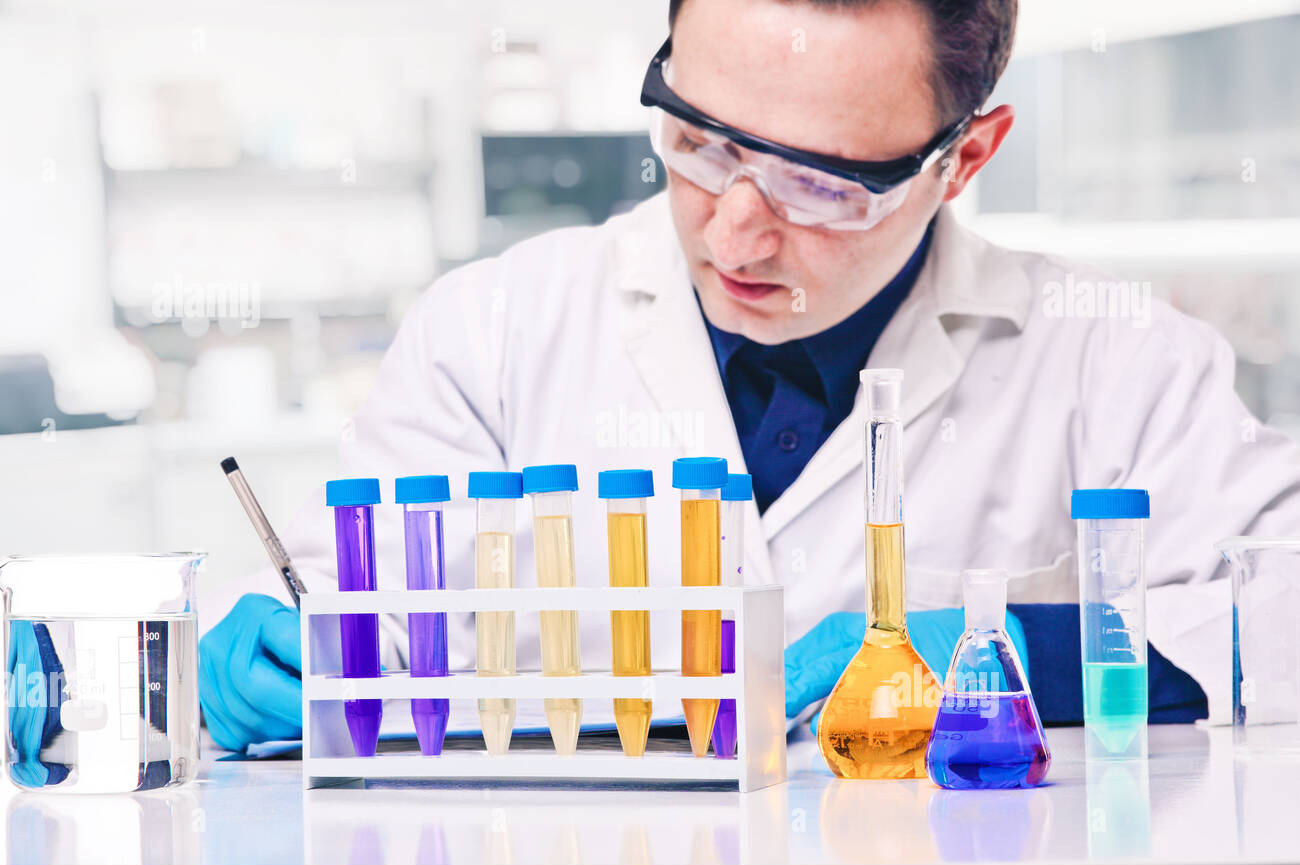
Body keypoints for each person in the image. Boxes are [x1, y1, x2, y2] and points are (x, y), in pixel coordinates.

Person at [200, 0, 1300, 752]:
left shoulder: (1113, 357)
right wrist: (273, 651)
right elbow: (343, 620)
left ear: (965, 156)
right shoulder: (488, 334)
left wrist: (1017, 650)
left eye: (818, 184)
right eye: (700, 141)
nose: (735, 232)